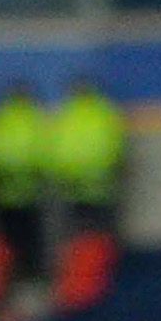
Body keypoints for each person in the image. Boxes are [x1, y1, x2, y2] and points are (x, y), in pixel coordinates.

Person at [47, 78, 128, 243]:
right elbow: (57, 149)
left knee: (98, 233)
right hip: (77, 186)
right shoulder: (72, 114)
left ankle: (97, 265)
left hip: (96, 186)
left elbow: (115, 146)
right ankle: (81, 266)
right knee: (78, 234)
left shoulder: (99, 114)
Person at [0, 84, 51, 280]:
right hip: (21, 192)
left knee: (18, 239)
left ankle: (23, 273)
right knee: (23, 239)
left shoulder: (2, 120)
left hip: (12, 193)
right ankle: (24, 272)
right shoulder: (33, 119)